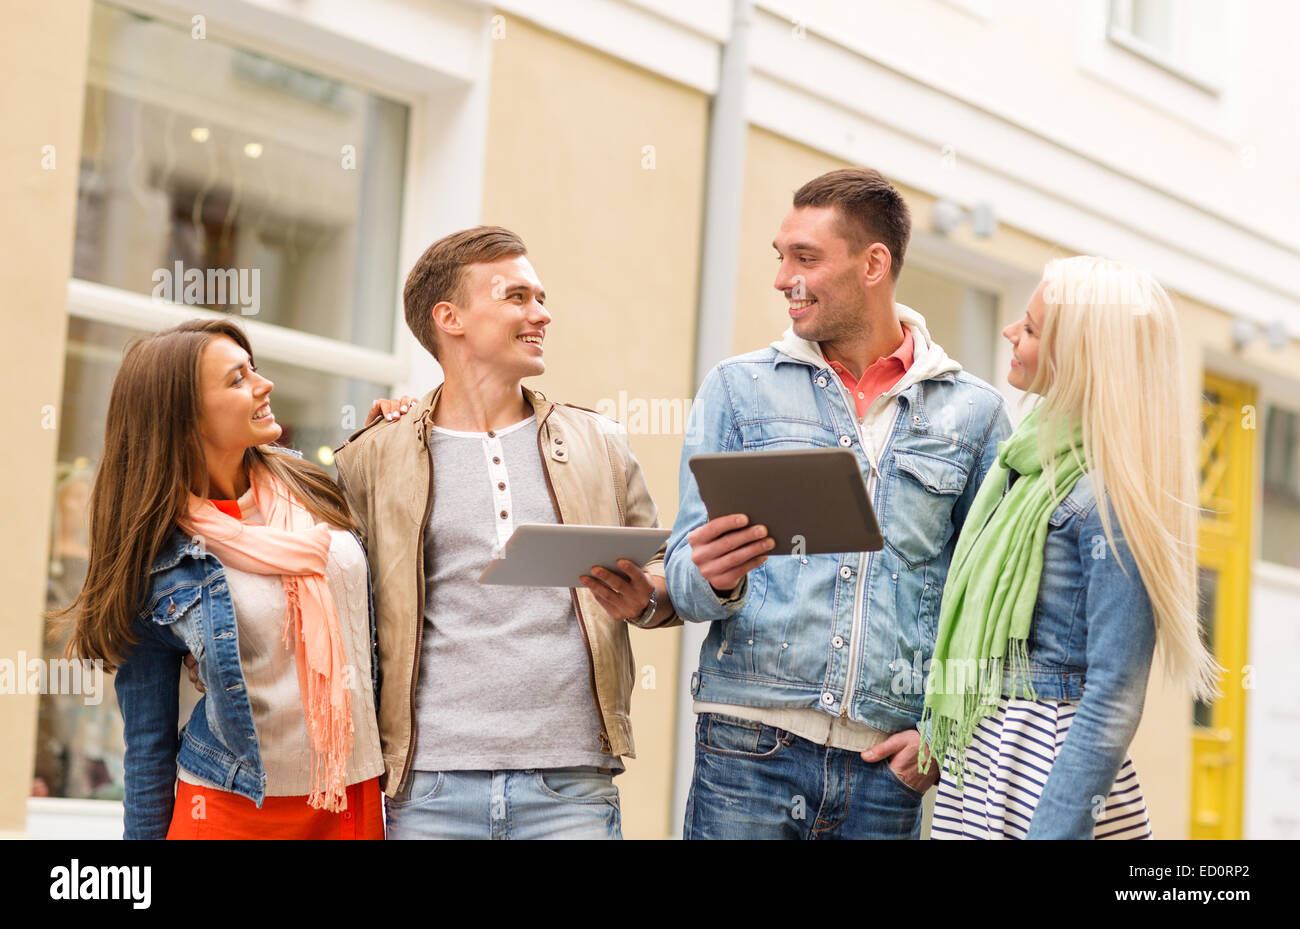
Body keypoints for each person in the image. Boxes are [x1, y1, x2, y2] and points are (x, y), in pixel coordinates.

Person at [665, 167, 1010, 839]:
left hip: (886, 772)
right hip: (747, 748)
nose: (782, 277)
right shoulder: (737, 389)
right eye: (781, 256)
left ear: (873, 263)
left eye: (805, 257)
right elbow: (682, 574)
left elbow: (987, 599)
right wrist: (711, 575)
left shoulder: (974, 413)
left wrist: (944, 731)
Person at [331, 225, 679, 840]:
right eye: (517, 297)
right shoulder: (372, 458)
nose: (541, 314)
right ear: (450, 318)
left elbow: (666, 572)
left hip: (571, 783)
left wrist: (648, 600)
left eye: (541, 298)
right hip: (427, 786)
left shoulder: (599, 442)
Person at [61, 318, 403, 839]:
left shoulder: (311, 485)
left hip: (351, 798)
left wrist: (394, 438)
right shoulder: (159, 556)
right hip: (233, 812)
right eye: (237, 379)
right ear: (183, 417)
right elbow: (149, 746)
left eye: (254, 370)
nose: (263, 385)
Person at [920, 256, 1220, 839]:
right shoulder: (1028, 465)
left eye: (1031, 329)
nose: (1011, 332)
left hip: (1045, 782)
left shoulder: (1107, 497)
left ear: (1080, 357)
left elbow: (1113, 694)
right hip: (988, 770)